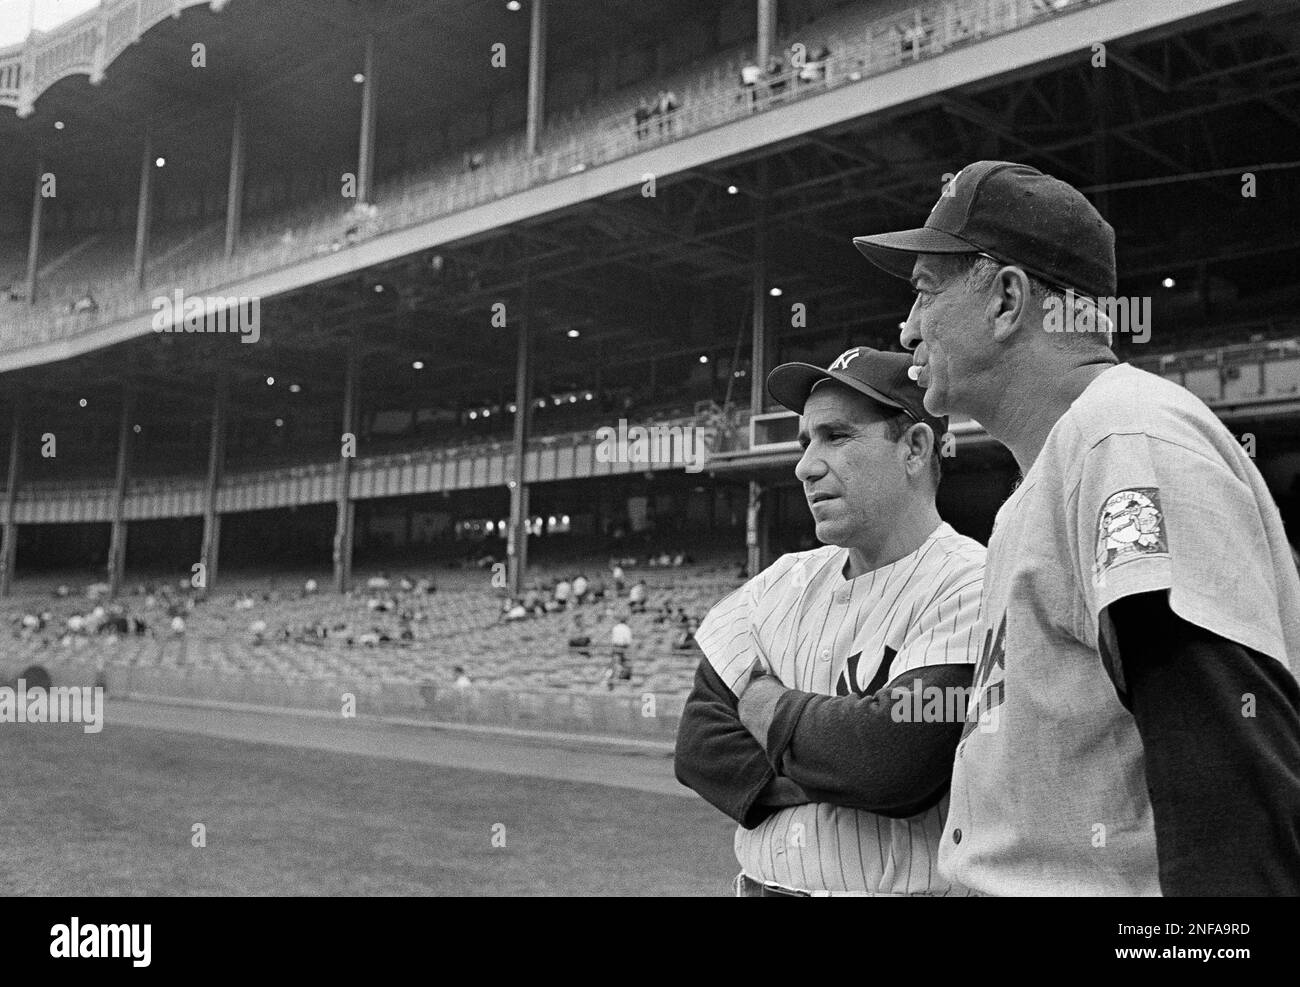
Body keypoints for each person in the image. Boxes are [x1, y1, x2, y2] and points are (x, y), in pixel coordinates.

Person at [855, 159, 1300, 895]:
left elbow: (1232, 791)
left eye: (924, 293)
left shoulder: (1124, 438)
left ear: (1006, 299)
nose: (906, 330)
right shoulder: (1057, 471)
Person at [675, 347, 986, 897]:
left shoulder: (970, 581)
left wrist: (761, 704)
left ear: (915, 448)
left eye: (836, 437)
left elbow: (888, 762)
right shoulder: (780, 580)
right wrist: (814, 768)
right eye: (804, 443)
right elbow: (699, 744)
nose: (805, 466)